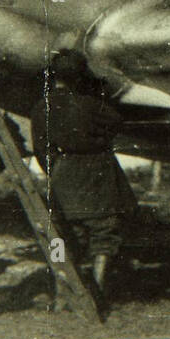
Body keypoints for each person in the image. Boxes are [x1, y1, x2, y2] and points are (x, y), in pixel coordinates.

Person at [31, 50, 135, 299]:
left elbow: (39, 147)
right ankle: (97, 291)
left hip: (61, 175)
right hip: (96, 172)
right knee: (104, 232)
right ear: (80, 76)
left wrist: (55, 169)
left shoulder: (40, 107)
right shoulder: (91, 104)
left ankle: (63, 288)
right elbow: (116, 123)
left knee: (59, 236)